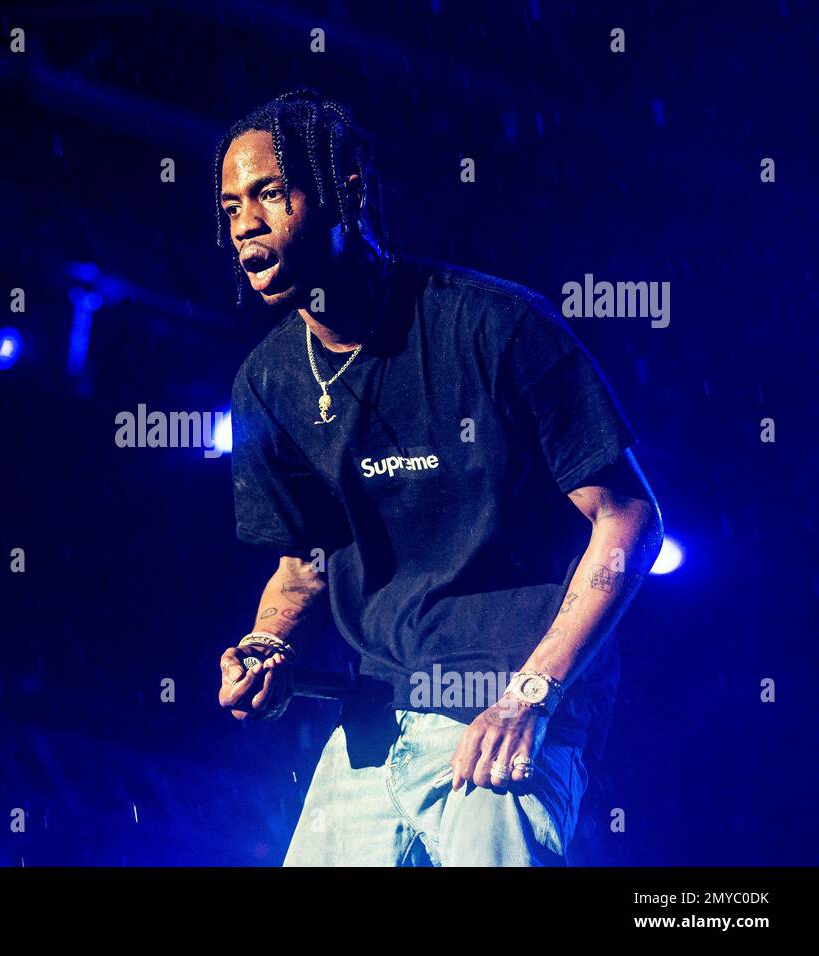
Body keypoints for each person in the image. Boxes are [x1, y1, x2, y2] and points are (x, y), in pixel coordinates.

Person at [215, 90, 664, 866]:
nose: (246, 223)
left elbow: (629, 520)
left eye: (268, 194)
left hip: (503, 713)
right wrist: (265, 643)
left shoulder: (494, 327)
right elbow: (304, 561)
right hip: (370, 722)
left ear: (345, 187)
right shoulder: (268, 383)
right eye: (229, 208)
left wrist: (532, 696)